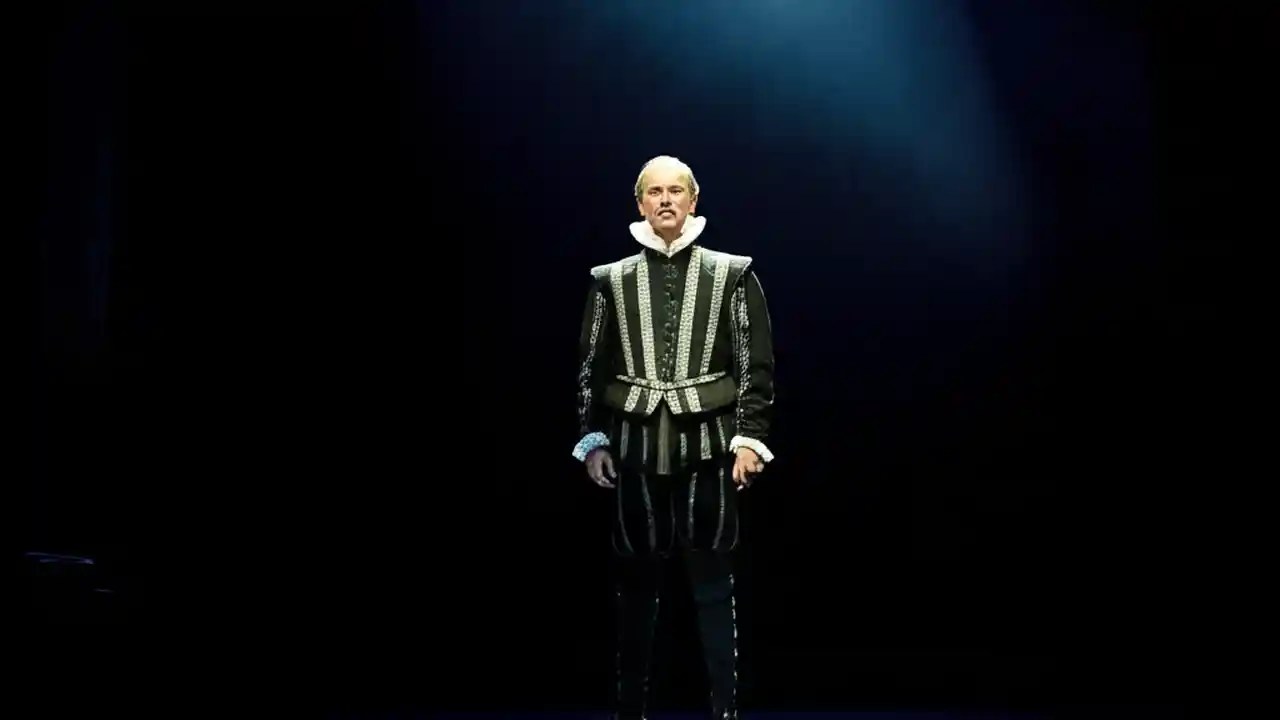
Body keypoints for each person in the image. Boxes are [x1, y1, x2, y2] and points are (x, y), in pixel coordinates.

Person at [573, 155, 776, 720]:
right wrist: (593, 440)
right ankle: (630, 709)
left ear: (693, 200)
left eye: (676, 191)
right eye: (655, 192)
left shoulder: (731, 272)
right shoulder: (610, 280)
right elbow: (593, 365)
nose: (666, 201)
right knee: (636, 582)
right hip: (634, 447)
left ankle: (724, 711)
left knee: (711, 576)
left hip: (708, 446)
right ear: (639, 204)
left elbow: (754, 363)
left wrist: (748, 439)